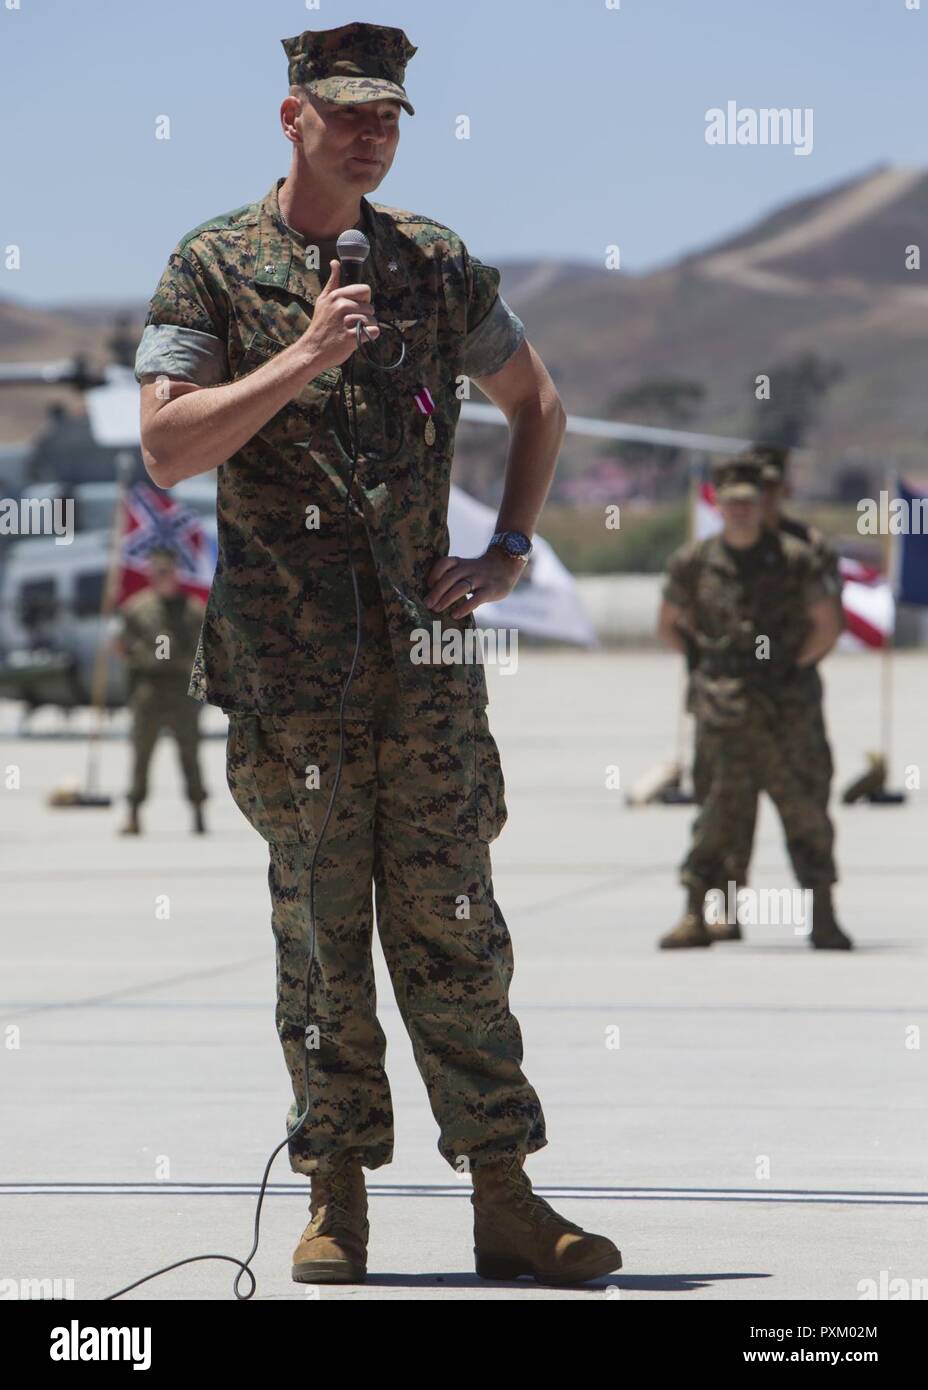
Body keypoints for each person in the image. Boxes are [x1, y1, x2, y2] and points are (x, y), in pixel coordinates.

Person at [134, 21, 621, 1286]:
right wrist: (302, 357)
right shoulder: (214, 267)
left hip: (425, 672)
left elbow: (538, 402)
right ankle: (336, 1201)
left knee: (455, 922)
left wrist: (508, 546)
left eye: (389, 117)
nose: (370, 135)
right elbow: (169, 449)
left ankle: (507, 1197)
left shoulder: (435, 265)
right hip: (290, 680)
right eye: (346, 114)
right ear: (290, 118)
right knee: (317, 931)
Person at [657, 455, 852, 951]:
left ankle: (823, 915)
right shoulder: (695, 561)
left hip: (789, 714)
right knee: (717, 816)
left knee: (806, 812)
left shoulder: (794, 557)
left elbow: (826, 624)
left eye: (750, 502)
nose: (742, 511)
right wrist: (708, 667)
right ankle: (699, 912)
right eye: (733, 503)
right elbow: (669, 624)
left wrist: (788, 670)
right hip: (723, 714)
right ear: (719, 505)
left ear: (761, 503)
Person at [112, 547, 207, 835]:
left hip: (180, 689)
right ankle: (134, 811)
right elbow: (120, 644)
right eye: (157, 572)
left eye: (167, 571)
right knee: (141, 754)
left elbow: (205, 649)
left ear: (176, 574)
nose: (162, 577)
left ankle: (198, 810)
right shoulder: (137, 608)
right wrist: (134, 659)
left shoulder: (192, 609)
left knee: (189, 753)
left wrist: (200, 691)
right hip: (149, 688)